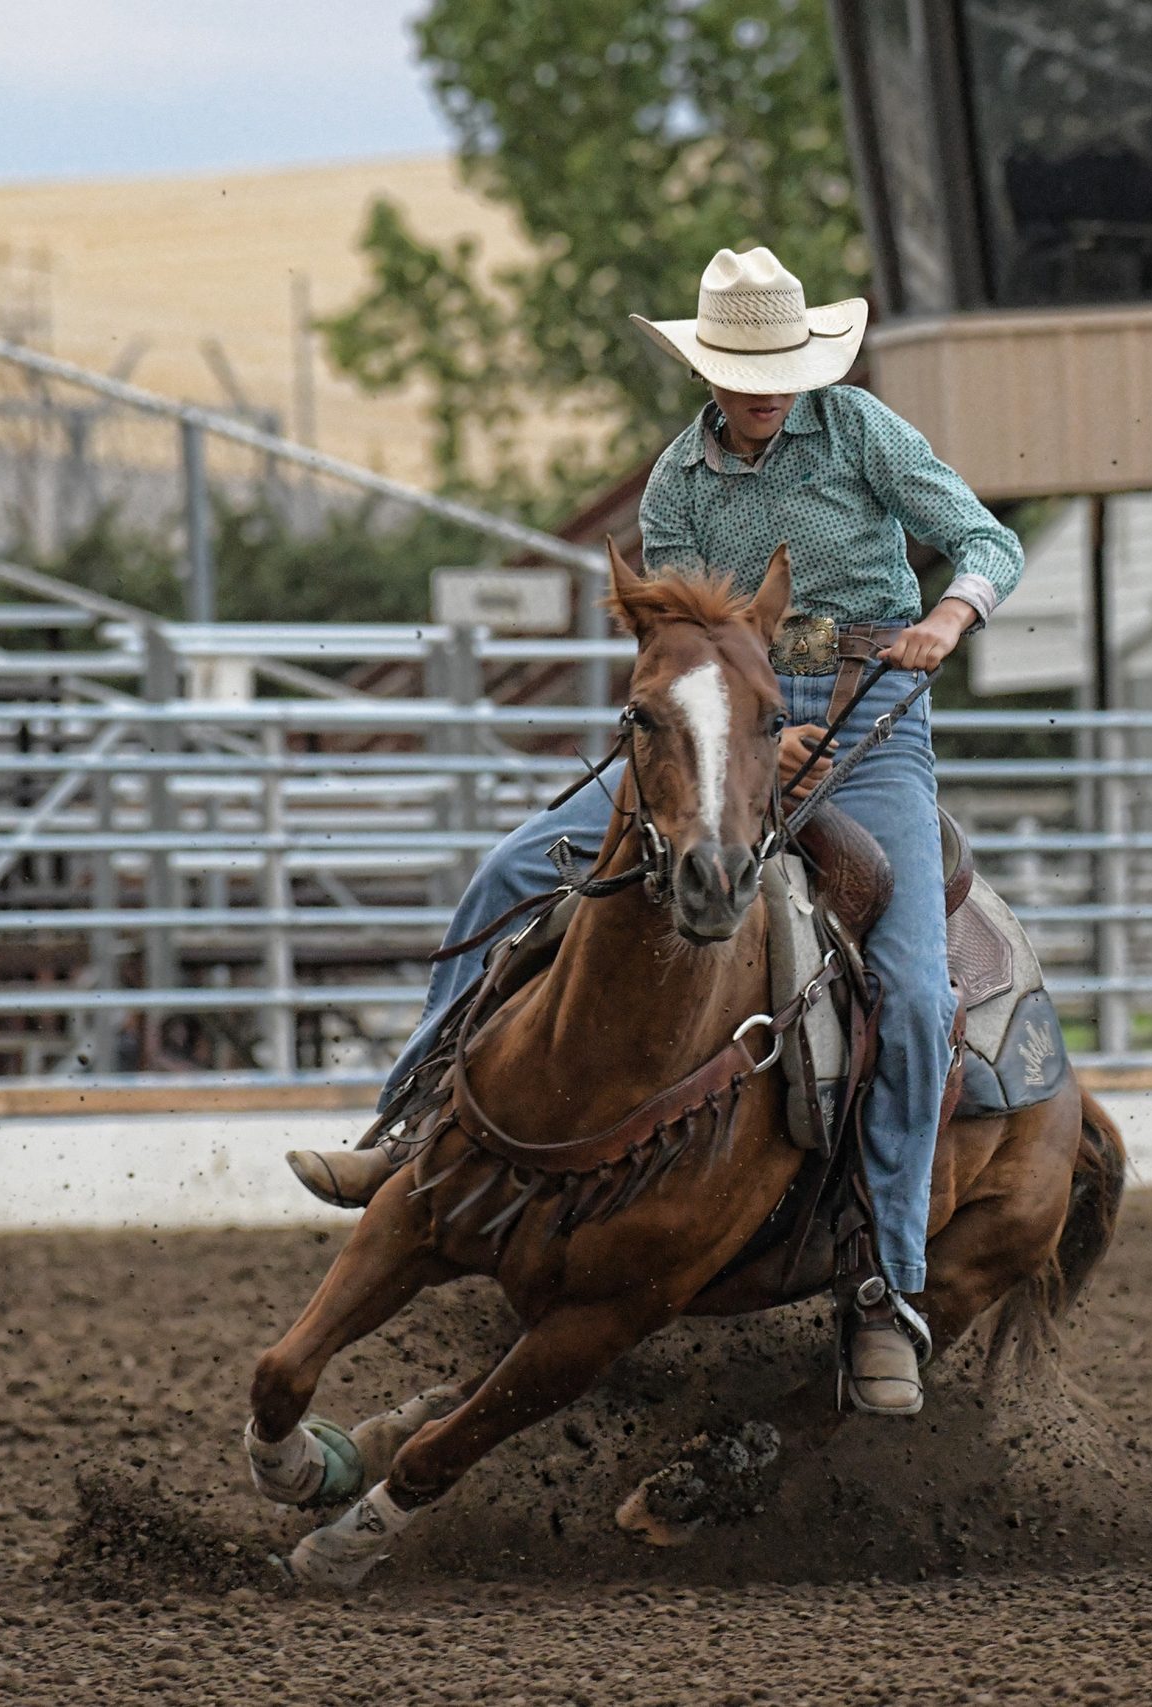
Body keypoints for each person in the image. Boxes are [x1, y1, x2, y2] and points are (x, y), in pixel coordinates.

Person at [291, 247, 1023, 1416]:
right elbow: (676, 641)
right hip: (728, 723)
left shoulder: (864, 432)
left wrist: (944, 616)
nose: (766, 387)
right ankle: (416, 1127)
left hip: (870, 716)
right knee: (512, 868)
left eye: (782, 364)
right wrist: (737, 725)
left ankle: (888, 1284)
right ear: (710, 370)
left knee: (918, 991)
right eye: (745, 368)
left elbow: (990, 543)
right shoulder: (678, 479)